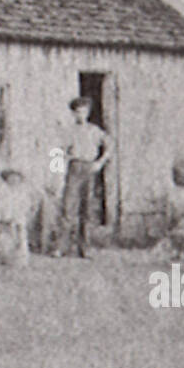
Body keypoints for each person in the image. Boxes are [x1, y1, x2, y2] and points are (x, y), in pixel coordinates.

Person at [57, 96, 113, 258]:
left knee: (88, 209)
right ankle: (62, 247)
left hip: (89, 167)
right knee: (68, 207)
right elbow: (60, 151)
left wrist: (99, 163)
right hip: (74, 167)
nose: (81, 115)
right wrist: (59, 171)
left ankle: (85, 248)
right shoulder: (68, 130)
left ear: (88, 113)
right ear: (73, 114)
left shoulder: (94, 131)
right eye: (78, 112)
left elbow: (109, 147)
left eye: (84, 112)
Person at [0, 168, 33, 267]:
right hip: (5, 219)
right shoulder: (3, 191)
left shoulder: (22, 191)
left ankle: (21, 259)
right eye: (11, 178)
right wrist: (3, 216)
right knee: (6, 238)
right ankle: (6, 258)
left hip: (19, 219)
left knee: (20, 239)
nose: (14, 180)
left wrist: (19, 217)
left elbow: (26, 205)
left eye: (16, 178)